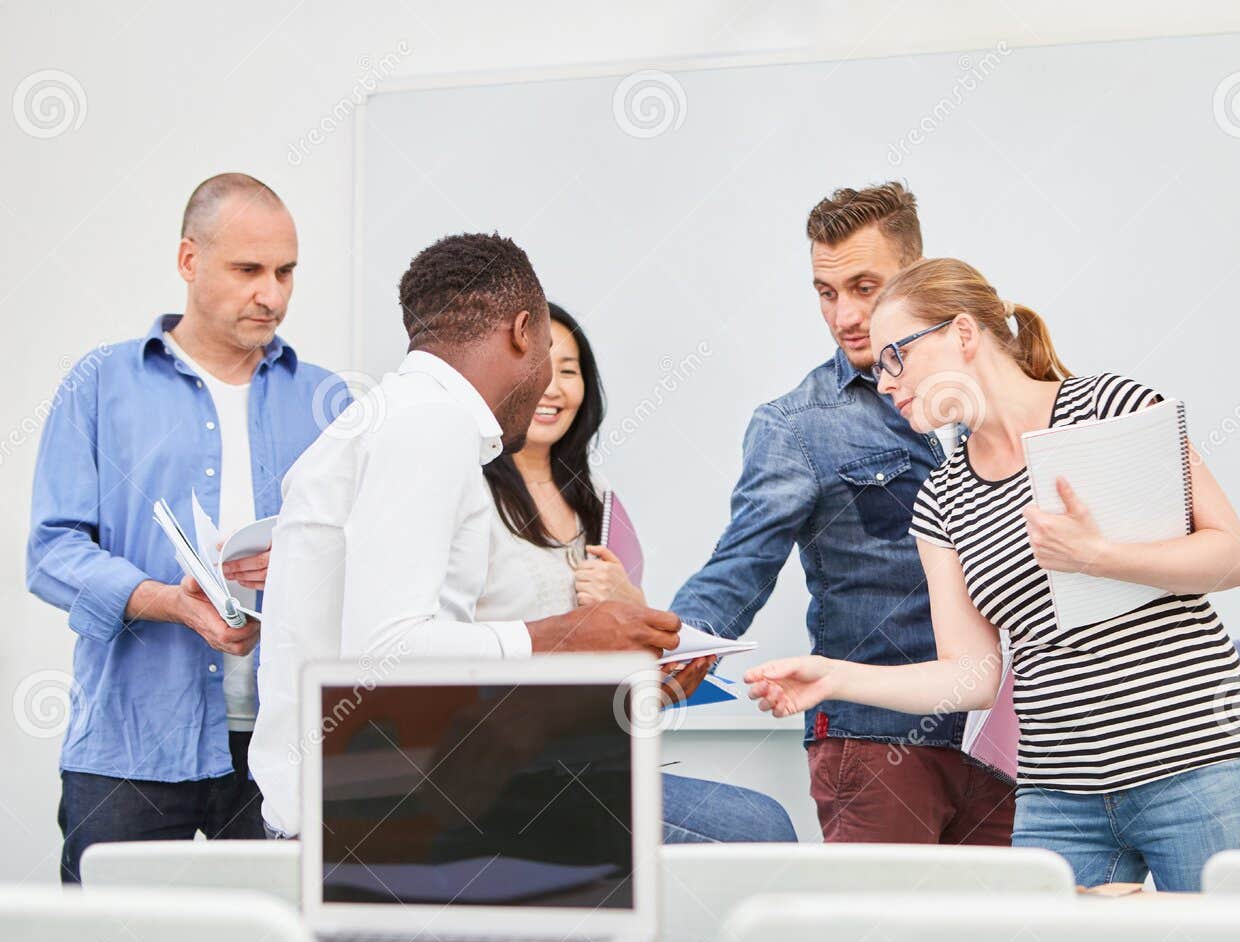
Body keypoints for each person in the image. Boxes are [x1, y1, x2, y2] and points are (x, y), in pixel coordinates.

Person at [745, 257, 1240, 891]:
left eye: (896, 357)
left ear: (964, 335)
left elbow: (1233, 556)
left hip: (1199, 768)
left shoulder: (1110, 407)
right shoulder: (941, 497)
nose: (884, 382)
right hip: (1060, 797)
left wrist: (1101, 557)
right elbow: (971, 676)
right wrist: (831, 677)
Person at [249, 233, 695, 836]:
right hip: (376, 827)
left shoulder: (398, 417)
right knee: (752, 832)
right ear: (521, 332)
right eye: (547, 354)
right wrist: (567, 634)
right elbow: (389, 654)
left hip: (374, 807)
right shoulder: (428, 425)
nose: (548, 386)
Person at [671, 182, 1013, 845]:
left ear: (914, 274)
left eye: (864, 286)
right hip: (875, 743)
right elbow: (735, 572)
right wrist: (668, 651)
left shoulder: (984, 402)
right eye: (827, 292)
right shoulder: (795, 427)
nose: (845, 314)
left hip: (1002, 739)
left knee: (1001, 941)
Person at [26, 173, 343, 881]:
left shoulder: (328, 400)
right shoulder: (100, 384)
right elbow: (51, 552)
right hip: (130, 745)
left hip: (282, 746)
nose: (274, 294)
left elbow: (360, 556)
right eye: (249, 270)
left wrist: (298, 569)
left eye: (286, 271)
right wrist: (165, 600)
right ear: (188, 261)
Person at [477, 302, 796, 843]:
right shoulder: (472, 493)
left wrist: (659, 661)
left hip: (592, 754)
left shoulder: (599, 502)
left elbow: (622, 679)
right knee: (757, 835)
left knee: (769, 821)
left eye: (569, 371)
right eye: (537, 370)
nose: (552, 388)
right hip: (506, 767)